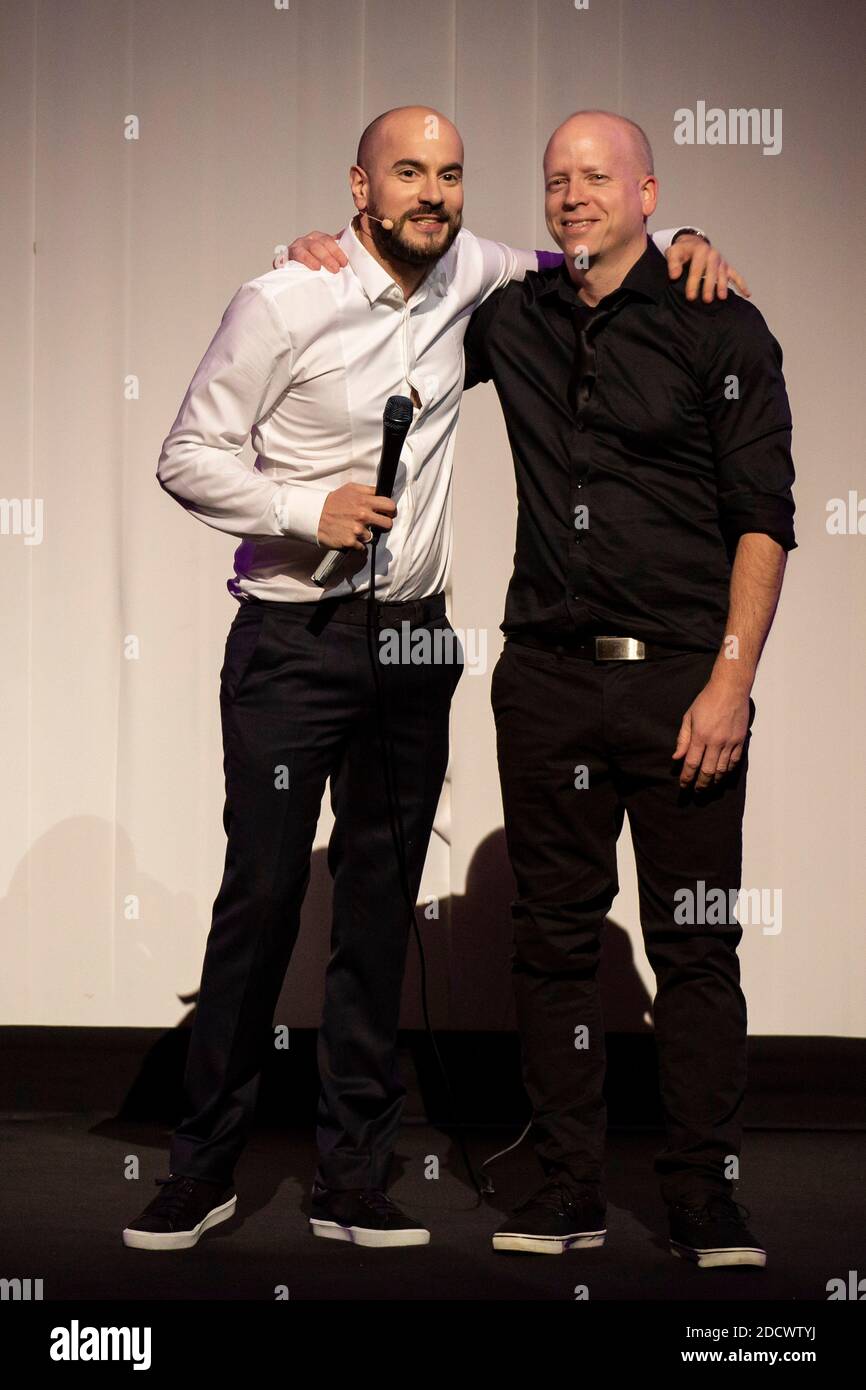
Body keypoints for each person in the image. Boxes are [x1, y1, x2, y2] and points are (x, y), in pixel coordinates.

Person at [122, 104, 737, 1253]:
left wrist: (688, 233)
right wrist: (306, 508)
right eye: (407, 172)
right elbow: (186, 454)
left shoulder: (474, 276)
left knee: (378, 910)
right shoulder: (280, 299)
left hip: (413, 645)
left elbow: (593, 252)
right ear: (357, 187)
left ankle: (351, 1175)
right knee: (258, 903)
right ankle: (198, 1167)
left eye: (450, 175)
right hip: (292, 643)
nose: (432, 193)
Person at [456, 110, 795, 1268]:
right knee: (551, 944)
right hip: (546, 682)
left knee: (693, 947)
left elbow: (763, 520)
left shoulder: (721, 325)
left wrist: (730, 685)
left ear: (648, 194)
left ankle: (703, 1197)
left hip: (681, 690)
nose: (572, 195)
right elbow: (399, 303)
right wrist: (323, 247)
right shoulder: (512, 319)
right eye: (555, 180)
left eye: (597, 177)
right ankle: (565, 1189)